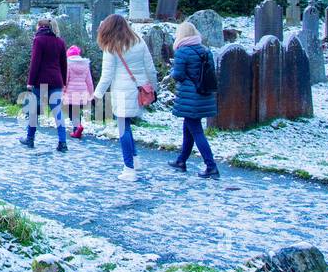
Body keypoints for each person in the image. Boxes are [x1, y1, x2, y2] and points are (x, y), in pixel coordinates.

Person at [93, 14, 158, 182]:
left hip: (122, 92)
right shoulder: (139, 41)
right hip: (138, 91)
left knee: (123, 130)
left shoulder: (111, 47)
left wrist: (97, 94)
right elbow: (150, 68)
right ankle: (135, 160)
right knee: (127, 127)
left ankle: (129, 169)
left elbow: (106, 76)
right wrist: (153, 89)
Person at [169, 21, 220, 178]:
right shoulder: (205, 51)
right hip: (204, 94)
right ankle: (181, 160)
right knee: (189, 127)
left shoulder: (182, 52)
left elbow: (178, 75)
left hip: (190, 96)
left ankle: (211, 166)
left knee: (196, 130)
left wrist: (172, 72)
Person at [22, 16, 69, 152]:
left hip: (40, 82)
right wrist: (64, 81)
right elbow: (63, 64)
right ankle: (62, 143)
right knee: (58, 113)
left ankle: (30, 139)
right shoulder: (60, 41)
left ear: (40, 27)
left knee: (33, 111)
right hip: (56, 81)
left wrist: (30, 82)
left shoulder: (38, 40)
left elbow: (35, 63)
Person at [62, 44, 95, 139]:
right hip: (82, 92)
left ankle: (77, 127)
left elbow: (65, 80)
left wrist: (63, 90)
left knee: (70, 111)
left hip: (70, 92)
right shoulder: (85, 65)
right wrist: (91, 93)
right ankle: (77, 129)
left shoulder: (68, 64)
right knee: (76, 110)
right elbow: (89, 80)